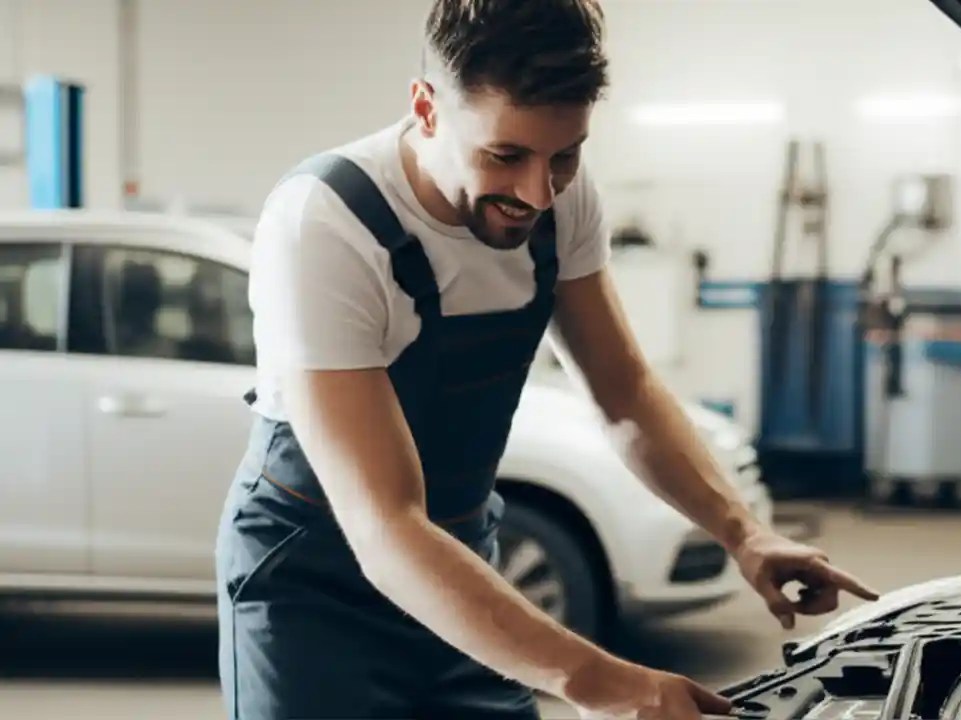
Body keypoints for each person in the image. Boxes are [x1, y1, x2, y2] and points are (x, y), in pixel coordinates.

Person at [214, 1, 878, 718]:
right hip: (318, 589)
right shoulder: (326, 224)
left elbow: (621, 392)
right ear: (427, 108)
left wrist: (742, 533)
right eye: (506, 156)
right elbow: (385, 525)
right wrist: (609, 685)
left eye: (565, 155)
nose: (537, 192)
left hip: (463, 567)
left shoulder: (560, 199)